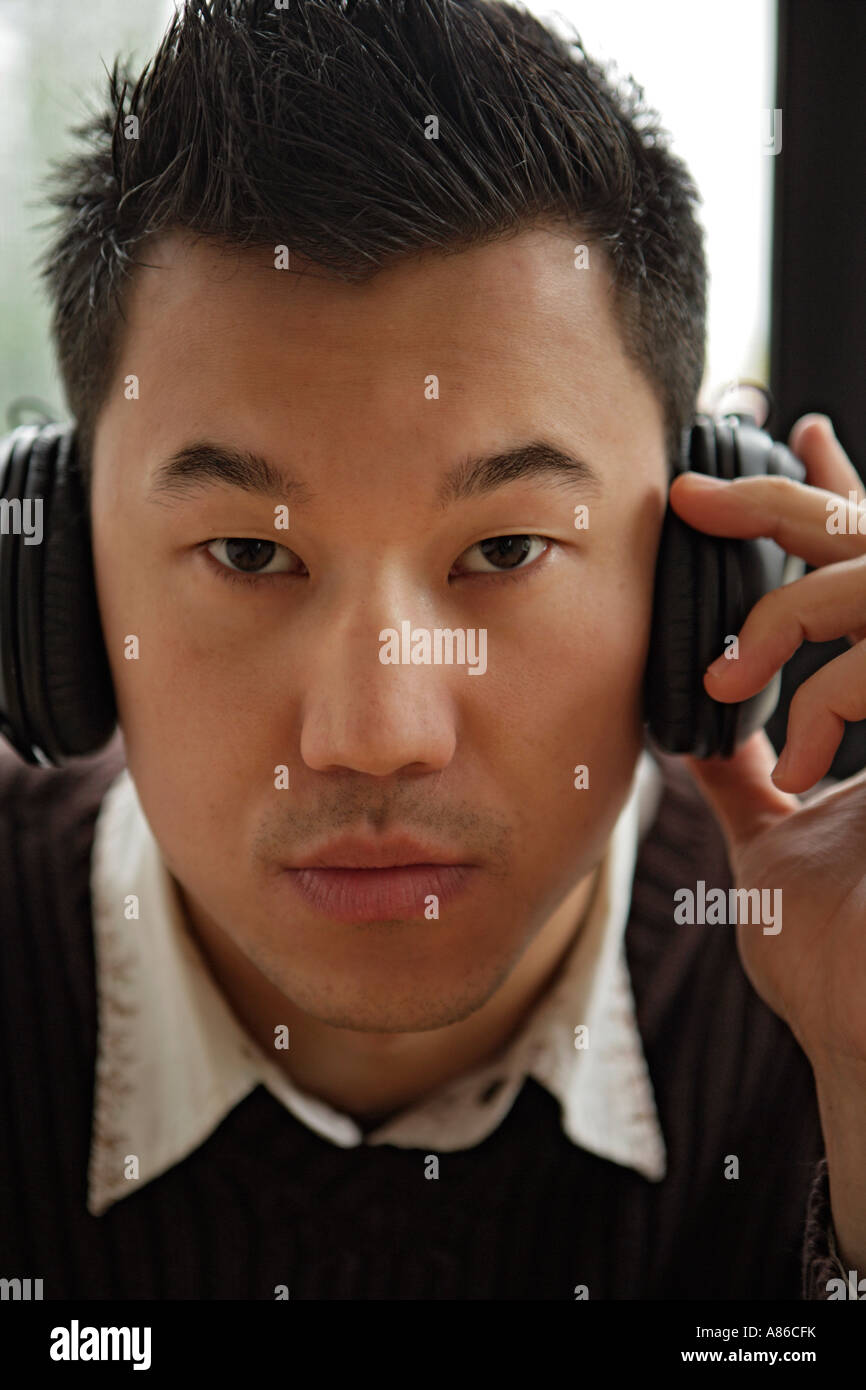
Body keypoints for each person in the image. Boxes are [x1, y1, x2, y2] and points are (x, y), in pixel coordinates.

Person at [1, 0, 864, 1301]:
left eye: (506, 550)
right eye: (249, 554)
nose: (375, 729)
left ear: (703, 560)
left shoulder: (825, 997)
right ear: (55, 577)